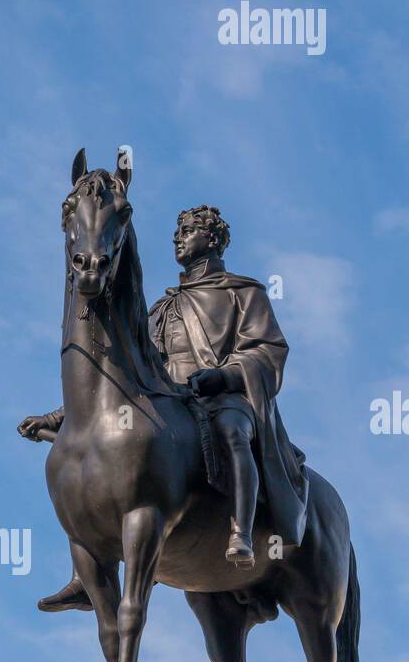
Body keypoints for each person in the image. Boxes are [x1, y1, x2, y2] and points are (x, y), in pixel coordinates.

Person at [20, 204, 308, 611]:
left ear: (213, 239)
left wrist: (223, 376)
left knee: (233, 431)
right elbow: (122, 380)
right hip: (170, 400)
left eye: (189, 230)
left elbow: (268, 350)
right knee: (87, 456)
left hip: (221, 397)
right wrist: (58, 417)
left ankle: (240, 530)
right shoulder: (161, 308)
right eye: (178, 231)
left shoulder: (244, 292)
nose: (178, 237)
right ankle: (85, 578)